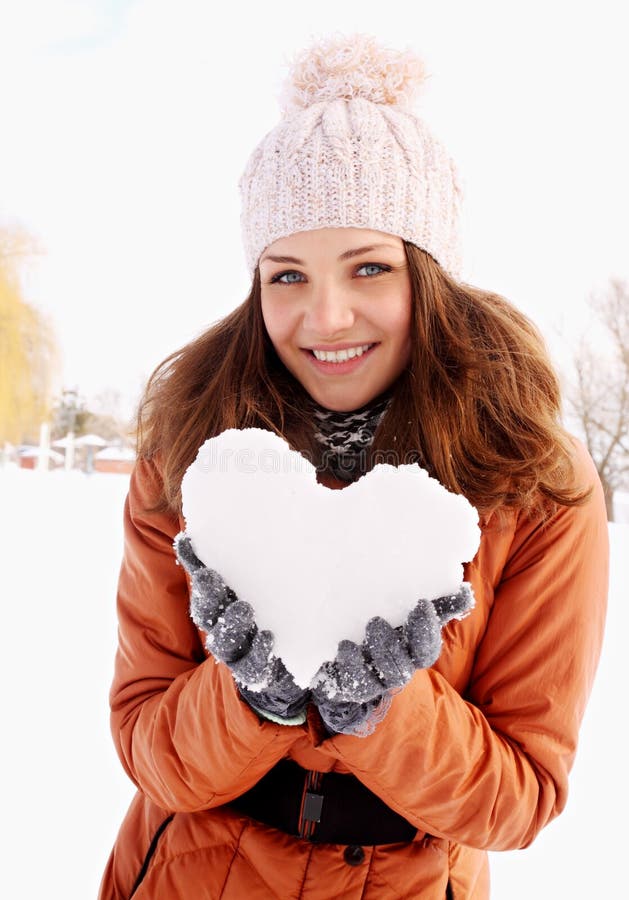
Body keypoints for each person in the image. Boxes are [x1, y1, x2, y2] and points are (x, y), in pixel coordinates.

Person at [98, 33, 609, 899]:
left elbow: (520, 798)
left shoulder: (533, 483)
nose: (323, 316)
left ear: (432, 277)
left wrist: (383, 709)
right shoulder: (188, 453)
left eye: (369, 267)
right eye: (286, 275)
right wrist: (246, 697)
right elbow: (149, 747)